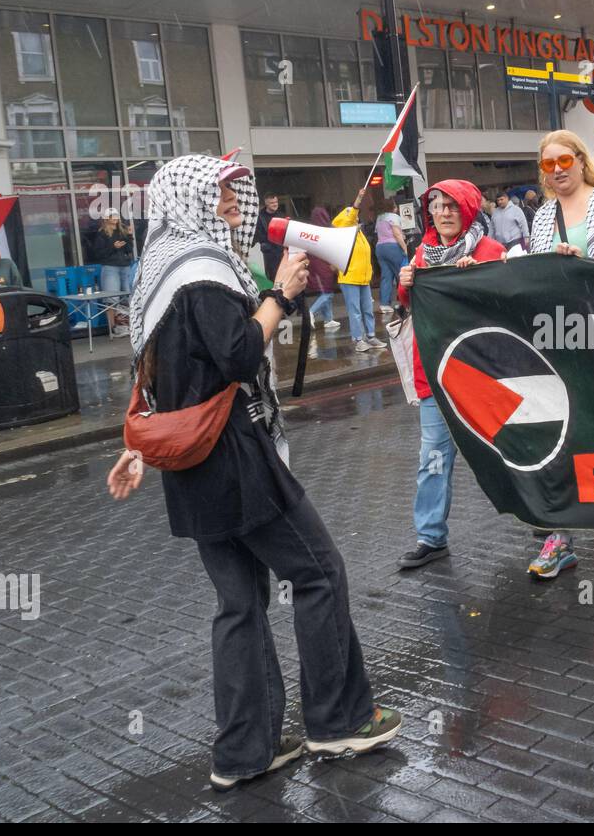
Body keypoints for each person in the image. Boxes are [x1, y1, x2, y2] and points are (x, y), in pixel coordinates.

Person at [105, 154, 400, 791]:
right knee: (319, 572)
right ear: (189, 200)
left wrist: (136, 448)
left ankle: (245, 751)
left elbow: (166, 376)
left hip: (190, 469)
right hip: (235, 458)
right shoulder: (202, 272)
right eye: (222, 193)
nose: (235, 201)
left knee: (239, 604)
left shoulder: (156, 268)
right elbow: (238, 354)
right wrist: (282, 295)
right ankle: (338, 717)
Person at [526, 130, 594, 578]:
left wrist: (581, 263)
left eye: (564, 161)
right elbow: (531, 270)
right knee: (560, 436)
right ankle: (559, 538)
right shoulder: (543, 214)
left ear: (580, 160)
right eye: (548, 164)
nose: (557, 171)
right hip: (557, 339)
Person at [396, 179, 507, 570]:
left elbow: (506, 305)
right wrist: (405, 284)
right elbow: (412, 305)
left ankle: (541, 524)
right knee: (433, 459)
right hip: (434, 378)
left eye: (452, 206)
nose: (443, 213)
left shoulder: (490, 251)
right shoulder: (423, 254)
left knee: (508, 451)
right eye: (437, 206)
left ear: (469, 209)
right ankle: (430, 537)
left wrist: (479, 278)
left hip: (482, 378)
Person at [332, 196, 386, 353]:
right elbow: (348, 217)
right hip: (350, 278)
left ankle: (370, 336)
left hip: (362, 278)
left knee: (367, 309)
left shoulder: (358, 233)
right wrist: (357, 201)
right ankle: (358, 339)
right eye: (351, 214)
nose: (355, 216)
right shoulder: (343, 231)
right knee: (355, 310)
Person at [91, 209, 135, 335]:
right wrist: (113, 247)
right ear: (106, 219)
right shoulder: (102, 234)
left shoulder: (122, 231)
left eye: (116, 215)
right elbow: (99, 254)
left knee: (128, 296)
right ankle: (113, 328)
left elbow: (128, 249)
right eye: (112, 216)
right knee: (111, 298)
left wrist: (130, 236)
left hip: (125, 266)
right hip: (110, 267)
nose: (115, 217)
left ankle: (128, 325)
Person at [305, 206, 340, 335]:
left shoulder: (311, 231)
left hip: (315, 266)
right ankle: (311, 312)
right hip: (325, 265)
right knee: (328, 293)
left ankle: (328, 319)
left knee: (326, 291)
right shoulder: (328, 231)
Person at [374, 198, 409, 314]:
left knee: (386, 276)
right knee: (401, 274)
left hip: (380, 248)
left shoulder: (379, 218)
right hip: (393, 247)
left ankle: (385, 304)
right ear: (393, 206)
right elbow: (397, 234)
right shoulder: (394, 217)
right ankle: (404, 302)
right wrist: (405, 248)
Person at [257, 194, 285, 282]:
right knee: (272, 276)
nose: (275, 204)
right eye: (272, 203)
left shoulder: (281, 215)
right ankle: (275, 293)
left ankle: (281, 292)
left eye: (276, 202)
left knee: (282, 275)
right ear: (266, 203)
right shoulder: (260, 217)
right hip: (269, 252)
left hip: (281, 250)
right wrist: (267, 243)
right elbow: (259, 234)